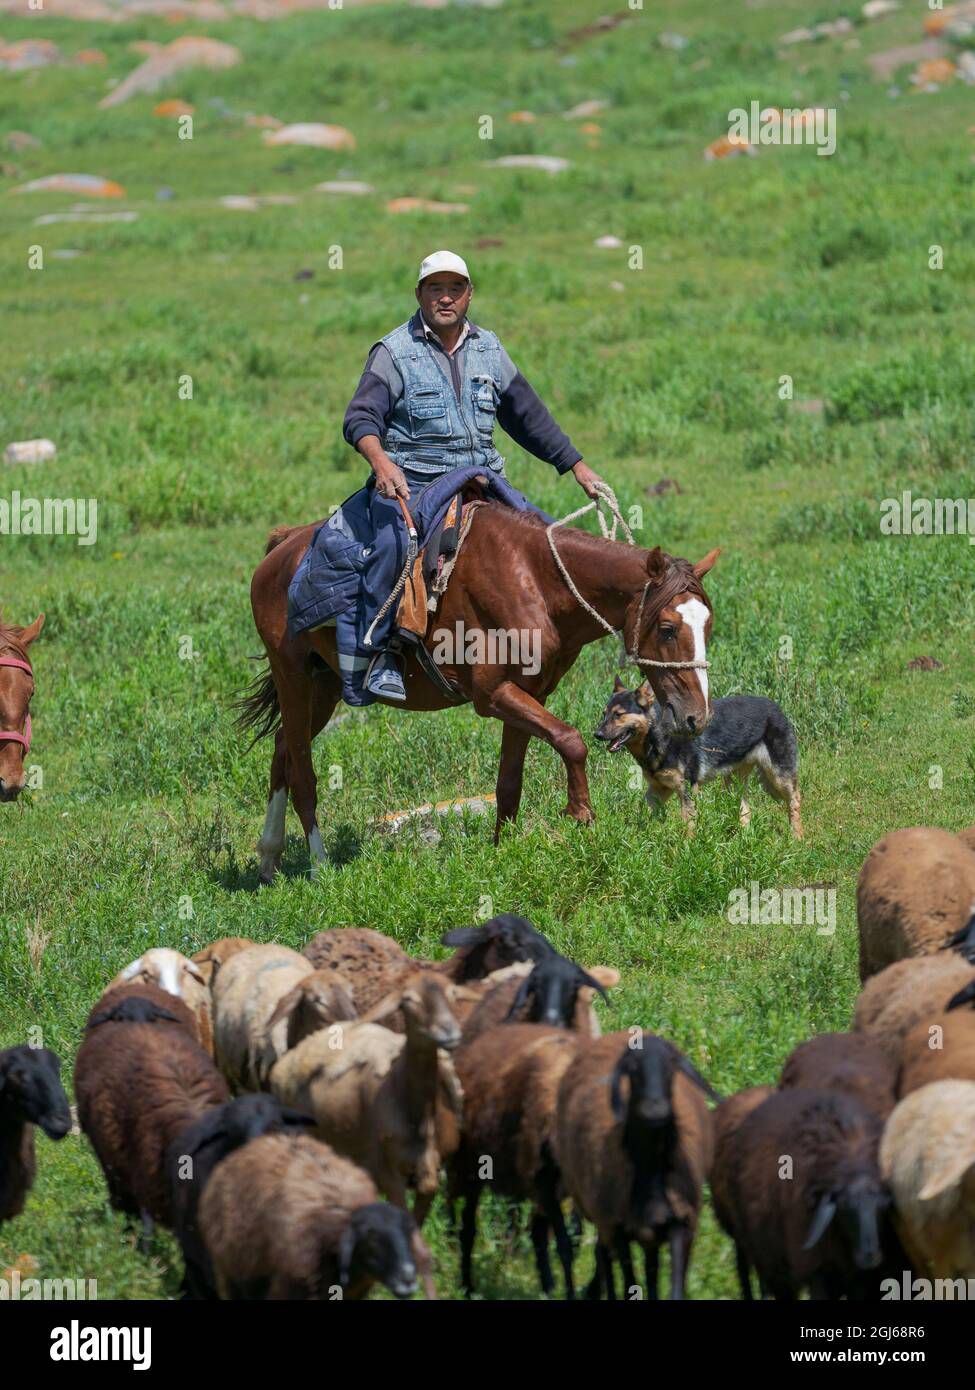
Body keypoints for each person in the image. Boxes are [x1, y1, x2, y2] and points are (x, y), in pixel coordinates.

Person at [342, 249, 605, 701]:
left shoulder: (489, 349)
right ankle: (379, 654)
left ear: (469, 295)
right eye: (435, 289)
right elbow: (360, 417)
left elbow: (527, 416)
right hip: (415, 483)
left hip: (481, 482)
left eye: (455, 289)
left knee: (544, 540)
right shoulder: (394, 352)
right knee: (392, 545)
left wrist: (575, 464)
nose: (446, 298)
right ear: (420, 295)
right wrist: (381, 463)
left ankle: (532, 651)